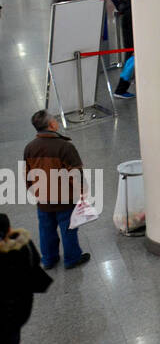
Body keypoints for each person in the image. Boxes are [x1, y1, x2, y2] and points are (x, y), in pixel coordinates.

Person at [23, 110, 91, 271]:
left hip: (43, 199)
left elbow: (26, 174)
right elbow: (76, 172)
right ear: (52, 125)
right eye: (54, 119)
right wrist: (82, 191)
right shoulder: (65, 146)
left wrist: (34, 192)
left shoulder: (30, 148)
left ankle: (48, 259)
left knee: (46, 230)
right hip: (65, 199)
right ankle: (72, 259)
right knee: (68, 229)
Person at [0, 211, 51, 344]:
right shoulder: (22, 245)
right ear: (9, 230)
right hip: (17, 310)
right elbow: (34, 263)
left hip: (7, 312)